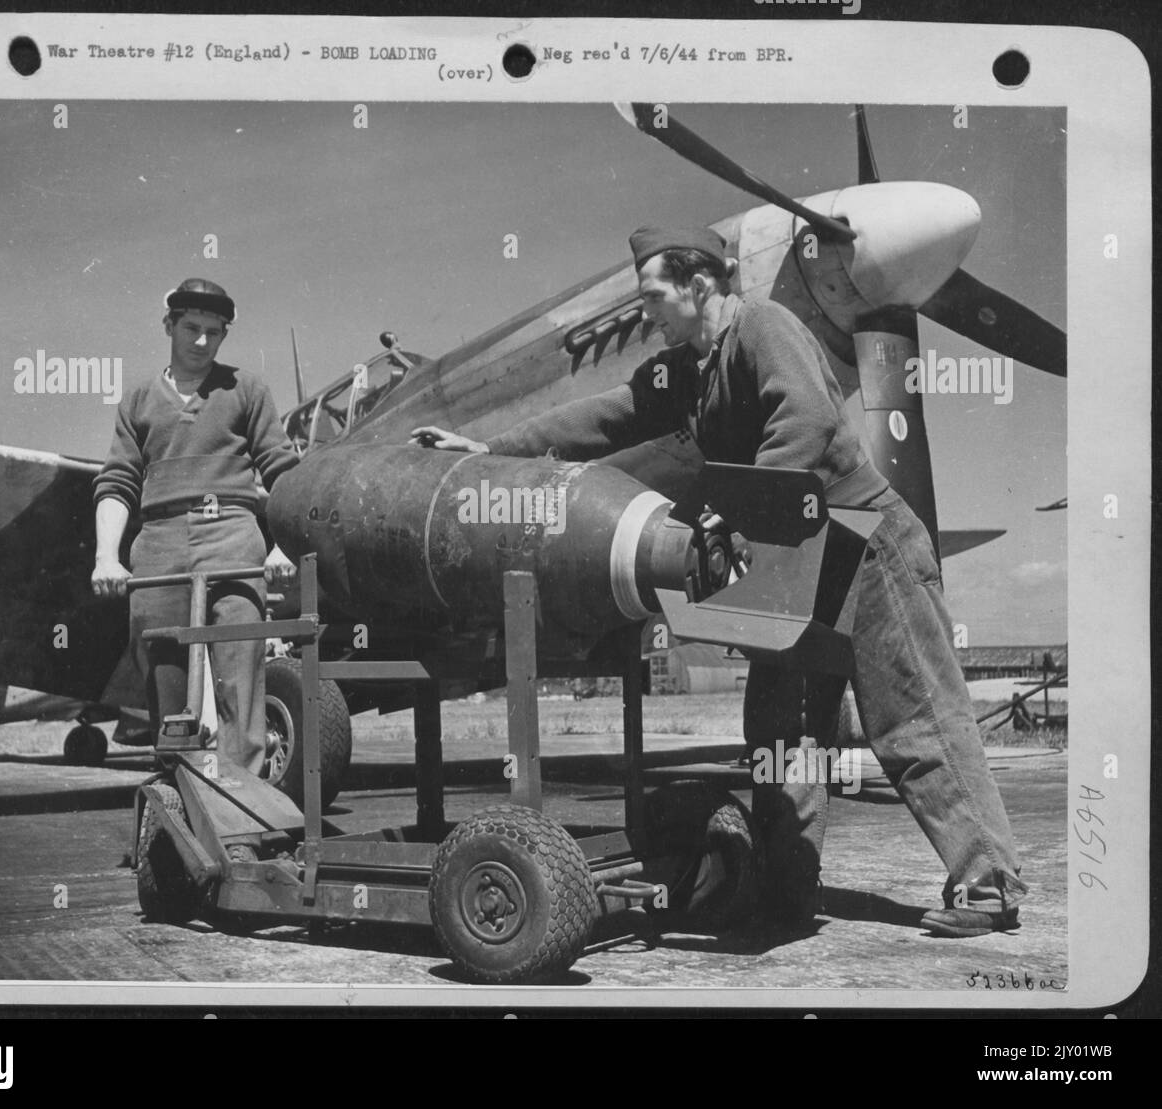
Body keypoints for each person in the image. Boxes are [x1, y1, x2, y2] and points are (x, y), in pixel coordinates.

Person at [410, 226, 1026, 938]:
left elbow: (809, 417)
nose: (646, 314)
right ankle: (788, 889)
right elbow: (606, 416)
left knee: (912, 714)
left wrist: (735, 512)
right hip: (791, 552)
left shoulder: (764, 325)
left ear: (700, 285)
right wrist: (492, 450)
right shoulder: (687, 371)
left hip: (864, 542)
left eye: (654, 296)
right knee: (778, 725)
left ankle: (988, 881)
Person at [92, 278, 300, 780]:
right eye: (191, 328)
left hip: (232, 534)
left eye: (214, 332)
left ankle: (244, 815)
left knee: (240, 683)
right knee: (165, 685)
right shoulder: (138, 400)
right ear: (169, 325)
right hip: (159, 543)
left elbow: (284, 472)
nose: (202, 341)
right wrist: (106, 557)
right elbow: (117, 483)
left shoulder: (247, 391)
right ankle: (179, 808)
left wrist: (286, 545)